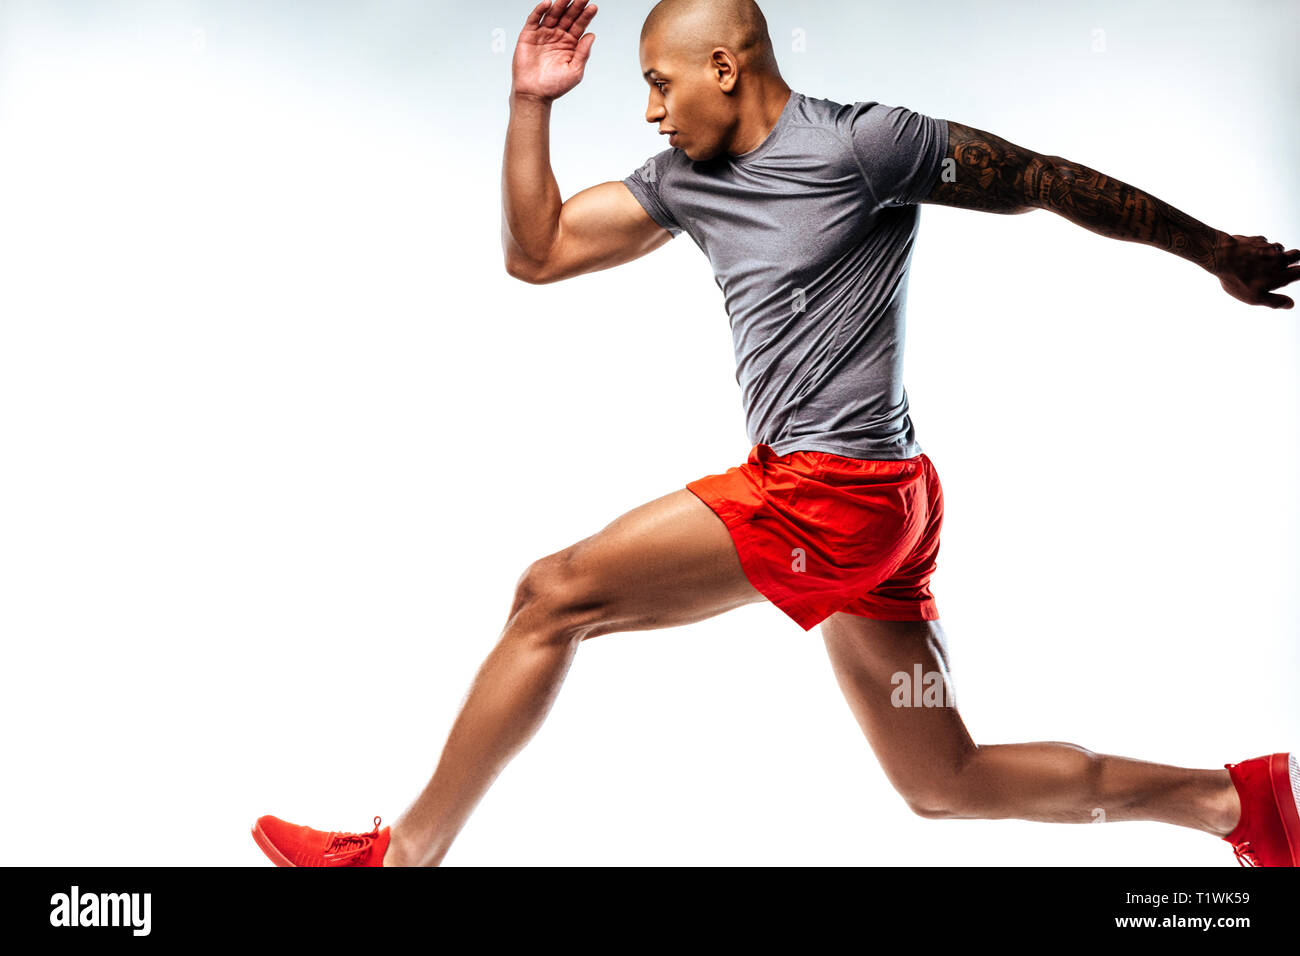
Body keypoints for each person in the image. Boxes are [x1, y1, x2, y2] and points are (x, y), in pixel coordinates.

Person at [250, 0, 1300, 867]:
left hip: (832, 497)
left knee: (550, 594)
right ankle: (1237, 803)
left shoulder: (863, 145)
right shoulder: (684, 181)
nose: (652, 111)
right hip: (874, 499)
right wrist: (529, 104)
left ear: (723, 67)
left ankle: (395, 862)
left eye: (660, 86)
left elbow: (1043, 182)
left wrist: (1212, 250)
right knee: (942, 779)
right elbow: (539, 251)